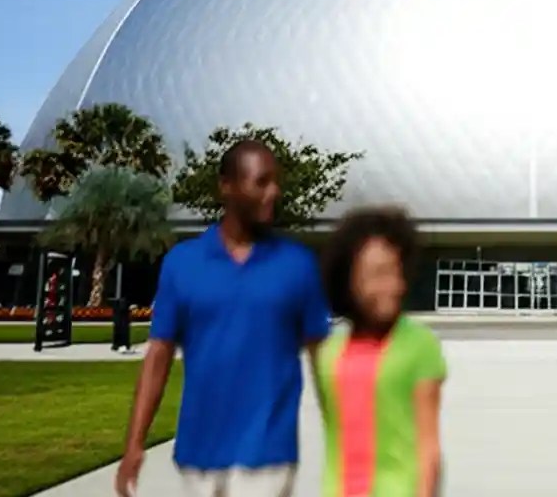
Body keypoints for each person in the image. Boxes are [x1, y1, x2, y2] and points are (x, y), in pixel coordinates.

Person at [115, 140, 331, 497]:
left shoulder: (297, 265)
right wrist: (134, 444)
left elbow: (323, 359)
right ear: (227, 186)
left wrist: (347, 443)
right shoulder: (182, 264)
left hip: (267, 457)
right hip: (197, 455)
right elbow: (158, 356)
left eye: (275, 181)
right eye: (261, 182)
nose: (273, 191)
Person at [316, 205, 446, 497]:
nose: (389, 286)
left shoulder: (419, 346)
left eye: (394, 272)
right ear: (348, 281)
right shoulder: (330, 353)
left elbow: (429, 448)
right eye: (374, 274)